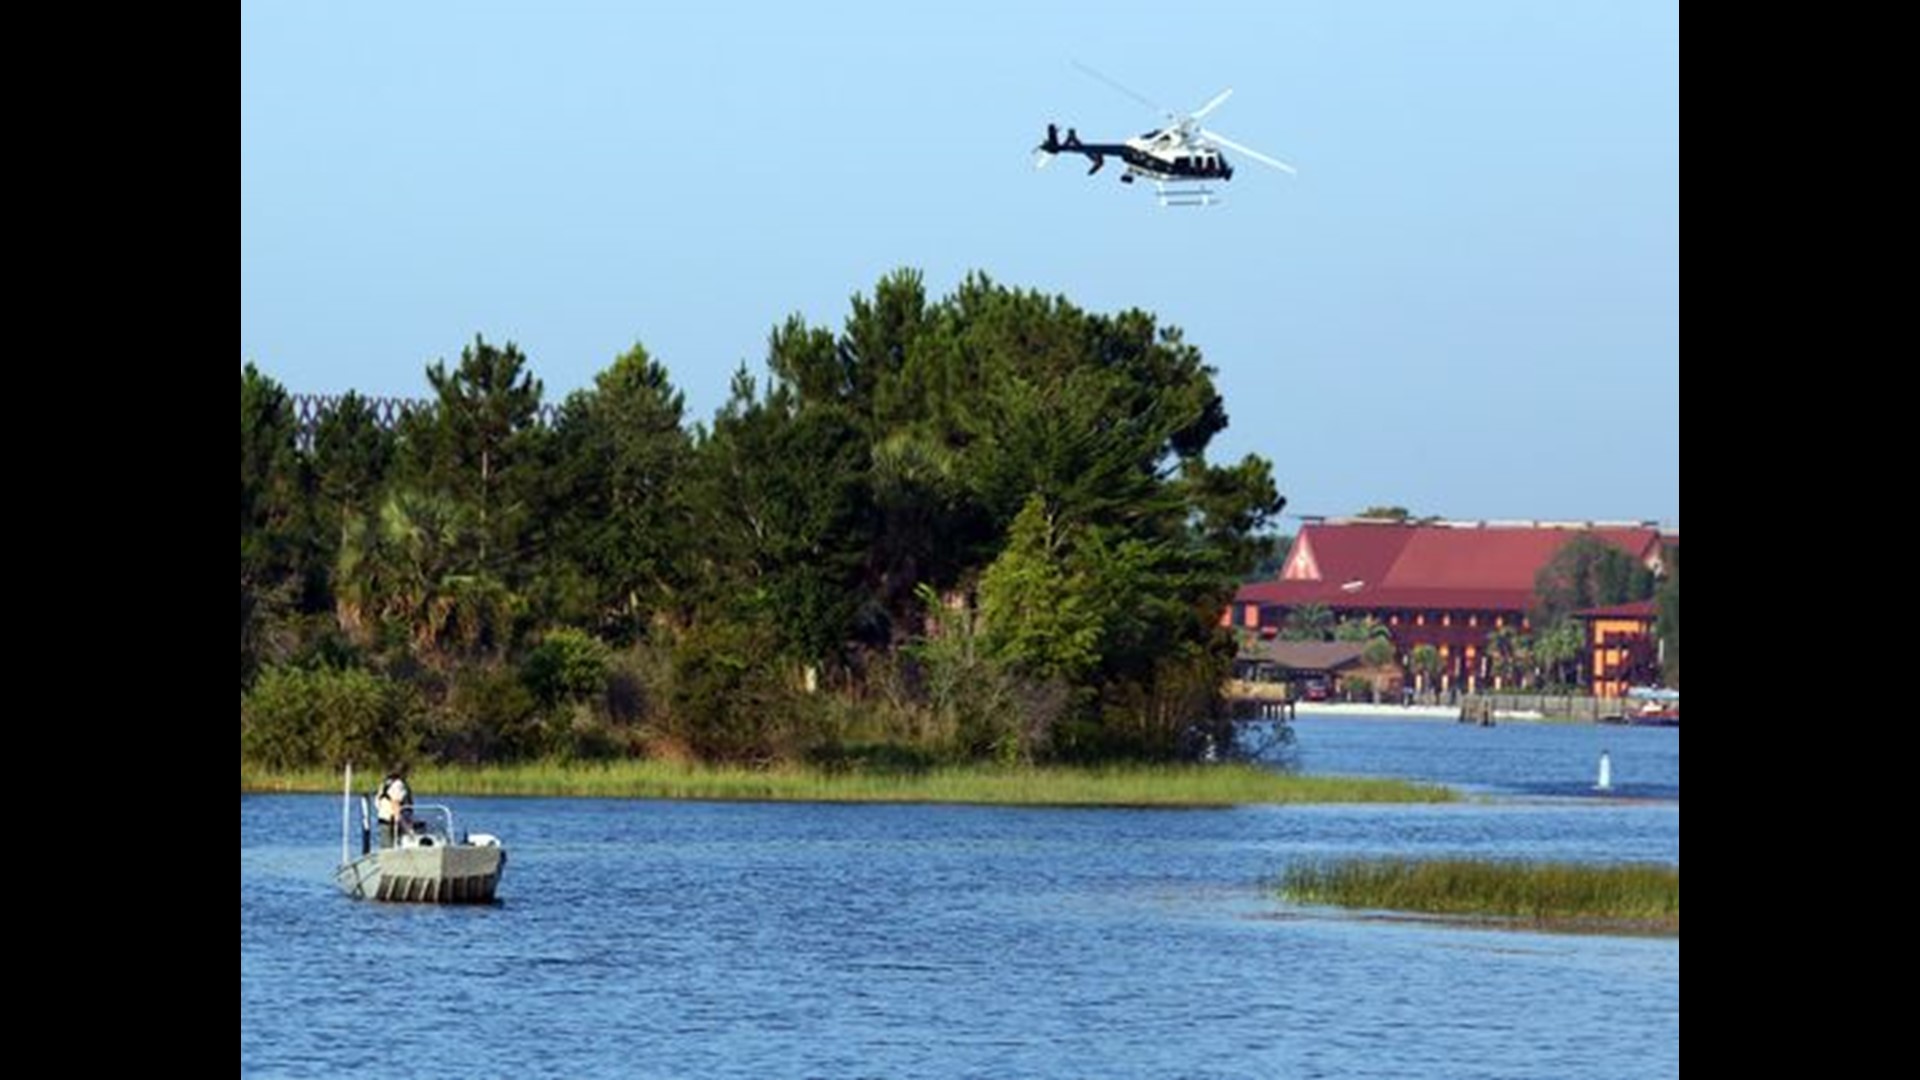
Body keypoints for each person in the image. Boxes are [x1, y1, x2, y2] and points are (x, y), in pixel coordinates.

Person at [375, 768, 415, 848]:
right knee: (390, 846)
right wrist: (401, 822)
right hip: (392, 819)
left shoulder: (385, 783)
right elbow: (395, 802)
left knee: (386, 845)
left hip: (383, 817)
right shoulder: (398, 784)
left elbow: (378, 802)